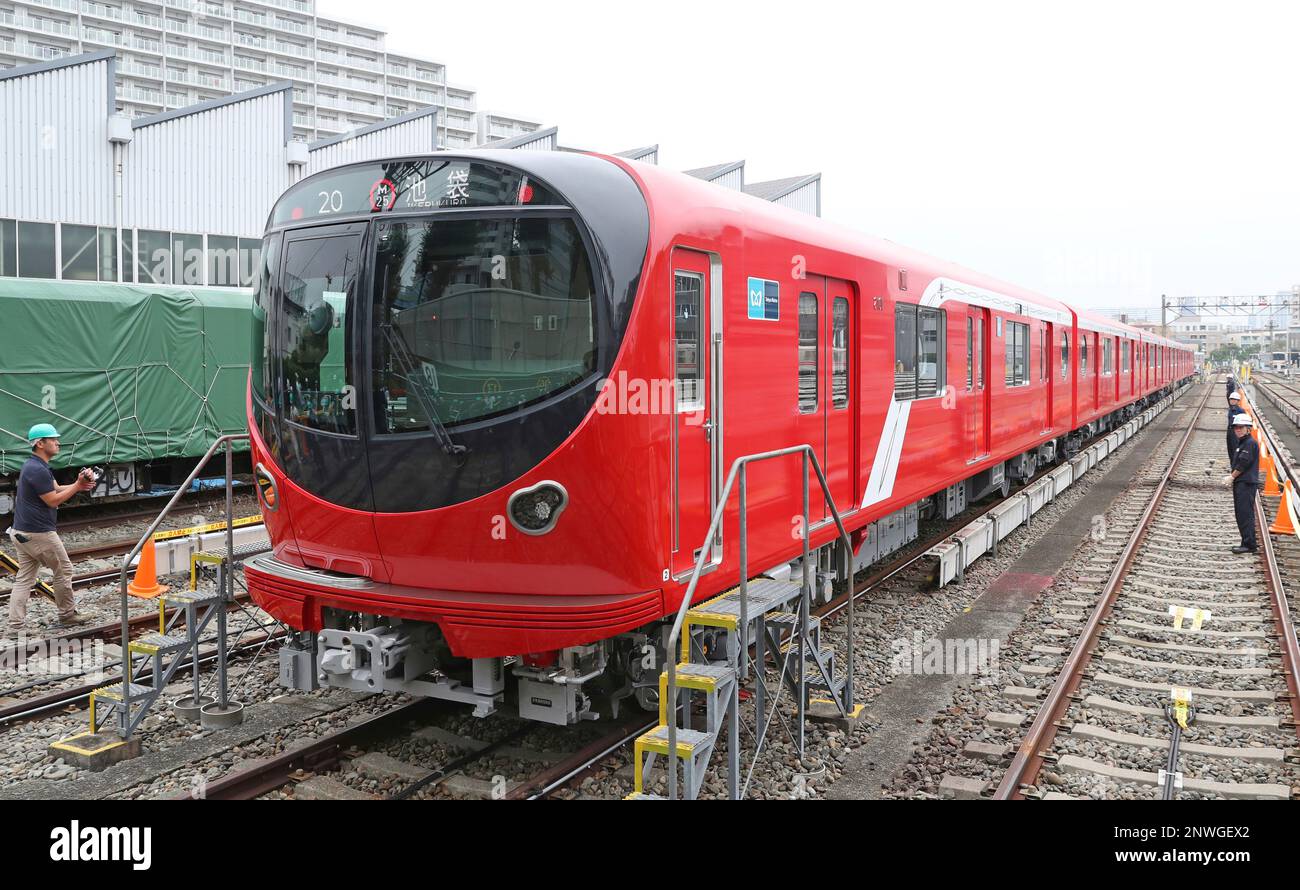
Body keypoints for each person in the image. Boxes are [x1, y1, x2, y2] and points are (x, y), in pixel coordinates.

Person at [5, 423, 93, 634]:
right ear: (39, 443)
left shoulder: (36, 466)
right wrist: (78, 486)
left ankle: (15, 626)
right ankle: (68, 615)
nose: (57, 442)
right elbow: (53, 500)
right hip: (38, 533)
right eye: (52, 439)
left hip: (21, 532)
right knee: (64, 569)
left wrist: (77, 484)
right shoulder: (37, 469)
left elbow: (54, 488)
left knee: (24, 578)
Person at [1224, 414, 1260, 554]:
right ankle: (1247, 542)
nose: (1237, 430)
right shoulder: (1243, 442)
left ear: (1248, 428)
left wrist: (1231, 477)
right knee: (1242, 513)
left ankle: (1249, 544)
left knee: (1245, 514)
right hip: (1243, 483)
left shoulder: (1249, 443)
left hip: (1246, 483)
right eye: (1235, 428)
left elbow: (1243, 464)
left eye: (1240, 427)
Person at [1227, 391, 1246, 463]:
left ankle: (1236, 467)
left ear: (1238, 401)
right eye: (1231, 399)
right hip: (1230, 432)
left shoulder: (1241, 411)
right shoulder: (1230, 410)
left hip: (1236, 433)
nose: (1232, 401)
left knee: (1236, 451)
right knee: (1230, 450)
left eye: (1234, 399)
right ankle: (1232, 466)